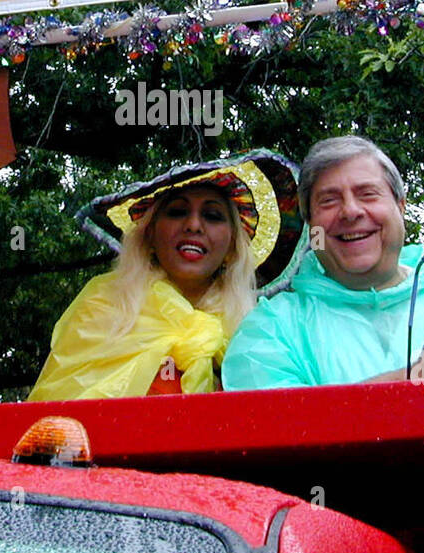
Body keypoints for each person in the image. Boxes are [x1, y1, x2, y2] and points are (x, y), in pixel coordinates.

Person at [222, 136, 424, 390]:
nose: (350, 212)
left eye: (367, 194)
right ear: (311, 226)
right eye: (329, 201)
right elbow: (276, 433)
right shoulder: (270, 327)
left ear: (401, 207)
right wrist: (416, 377)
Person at [28, 150, 302, 401]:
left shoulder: (258, 328)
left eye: (213, 216)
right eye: (177, 212)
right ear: (150, 235)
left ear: (233, 245)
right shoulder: (103, 305)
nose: (194, 225)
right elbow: (58, 420)